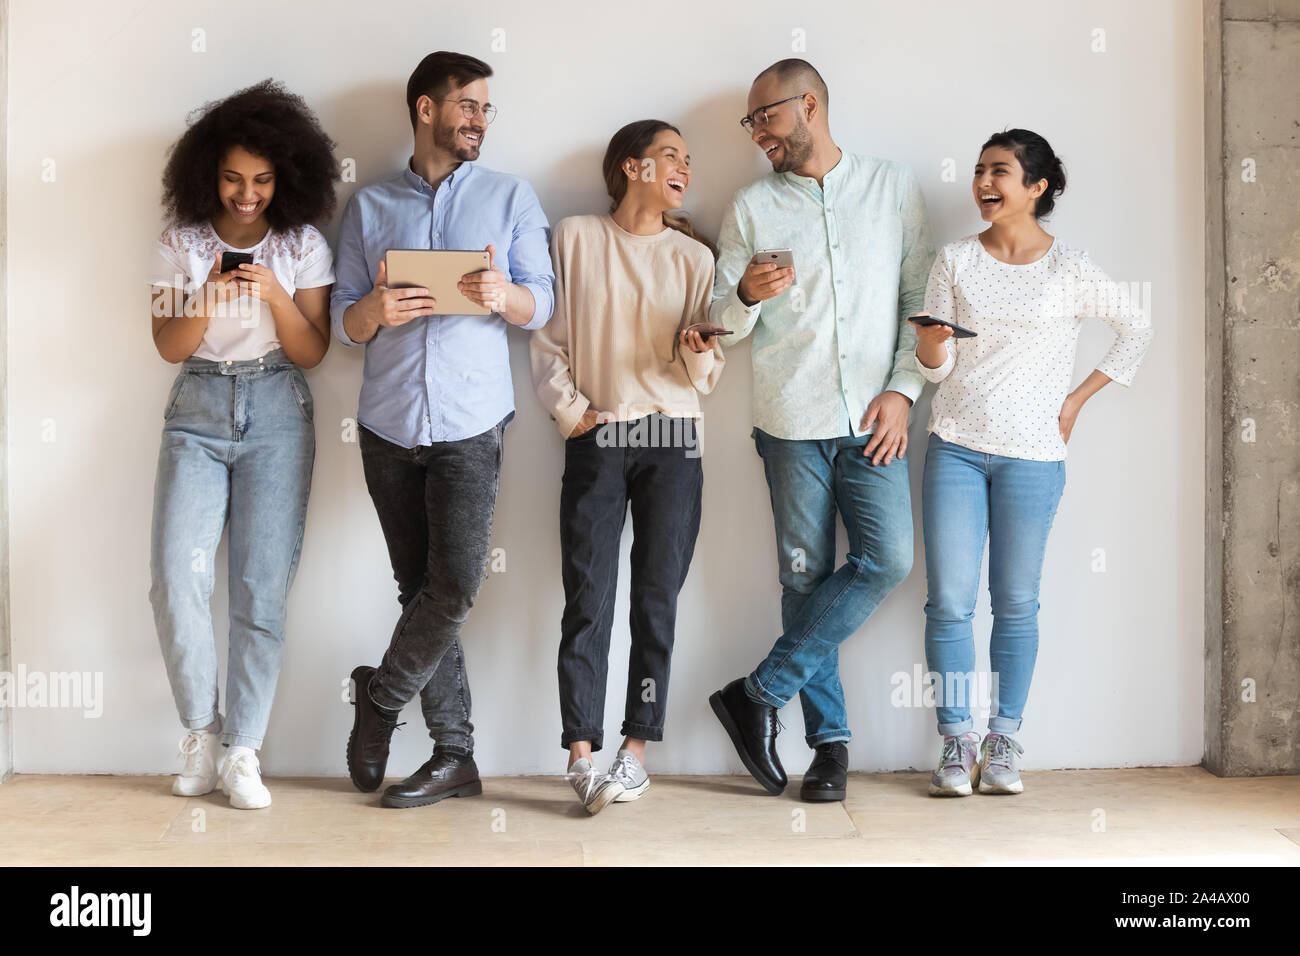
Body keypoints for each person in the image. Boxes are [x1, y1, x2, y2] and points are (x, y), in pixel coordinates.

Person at [707, 59, 934, 801]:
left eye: (763, 118)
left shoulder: (893, 187)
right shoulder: (748, 207)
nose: (756, 135)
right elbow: (721, 327)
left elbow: (918, 299)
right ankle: (829, 748)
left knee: (889, 558)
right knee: (802, 580)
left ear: (808, 104)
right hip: (790, 423)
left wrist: (905, 392)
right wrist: (743, 293)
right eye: (750, 125)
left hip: (875, 420)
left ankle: (757, 693)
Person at [333, 51, 554, 808]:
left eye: (487, 110)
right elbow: (343, 323)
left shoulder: (510, 196)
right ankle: (455, 756)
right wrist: (374, 312)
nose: (480, 121)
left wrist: (505, 294)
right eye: (467, 106)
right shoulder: (368, 207)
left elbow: (543, 304)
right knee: (418, 588)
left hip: (470, 422)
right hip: (388, 424)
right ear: (426, 109)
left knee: (454, 585)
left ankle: (381, 700)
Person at [914, 129, 1154, 796]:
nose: (984, 183)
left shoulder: (1070, 269)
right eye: (979, 171)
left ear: (1037, 187)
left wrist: (1077, 400)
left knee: (1016, 604)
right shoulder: (955, 260)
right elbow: (936, 370)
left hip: (1034, 457)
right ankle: (957, 744)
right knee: (949, 605)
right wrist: (932, 346)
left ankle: (1004, 741)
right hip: (957, 447)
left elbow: (1137, 326)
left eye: (1001, 172)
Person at [148, 79, 338, 809]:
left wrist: (274, 296)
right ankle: (201, 731)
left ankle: (243, 752)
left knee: (261, 591)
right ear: (208, 174)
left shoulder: (302, 245)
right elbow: (165, 344)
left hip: (278, 408)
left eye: (261, 180)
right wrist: (208, 299)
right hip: (195, 405)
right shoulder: (180, 243)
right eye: (232, 178)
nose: (246, 194)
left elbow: (315, 350)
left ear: (283, 178)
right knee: (175, 579)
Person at [530, 120, 726, 814]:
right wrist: (570, 411)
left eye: (688, 160)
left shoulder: (695, 259)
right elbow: (548, 338)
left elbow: (705, 376)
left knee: (656, 601)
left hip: (677, 439)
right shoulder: (575, 238)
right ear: (631, 166)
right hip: (598, 433)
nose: (684, 168)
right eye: (670, 155)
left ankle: (634, 753)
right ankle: (581, 755)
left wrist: (697, 347)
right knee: (588, 598)